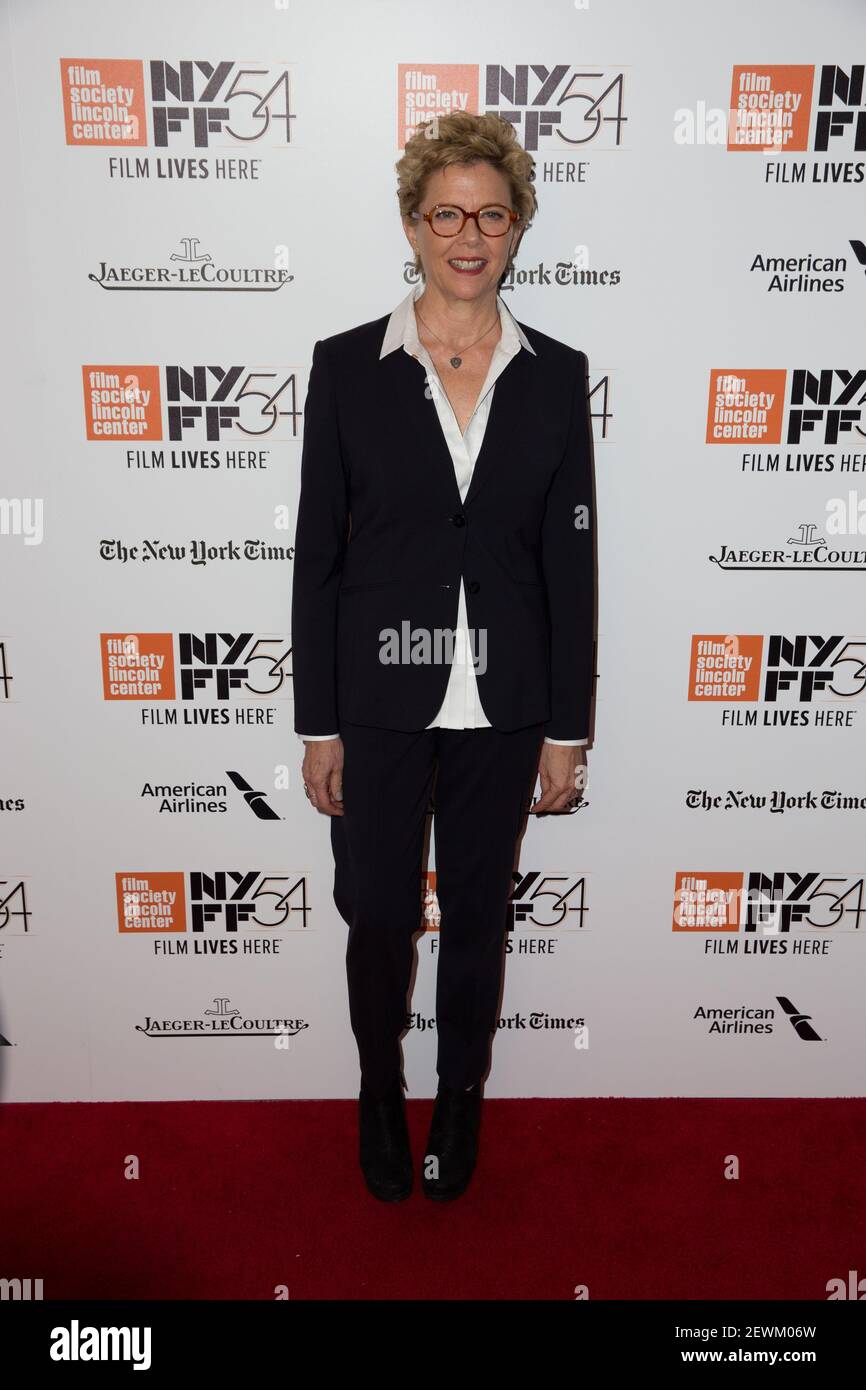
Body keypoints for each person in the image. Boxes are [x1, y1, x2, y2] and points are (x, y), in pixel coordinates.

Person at [291, 110, 596, 1203]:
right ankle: (379, 1092)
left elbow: (571, 565)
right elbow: (315, 556)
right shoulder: (344, 367)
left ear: (516, 227)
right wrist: (315, 720)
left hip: (505, 703)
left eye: (491, 213)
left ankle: (457, 1099)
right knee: (377, 914)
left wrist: (566, 729)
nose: (468, 234)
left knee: (477, 916)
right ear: (412, 223)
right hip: (376, 698)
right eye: (445, 212)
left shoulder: (557, 374)